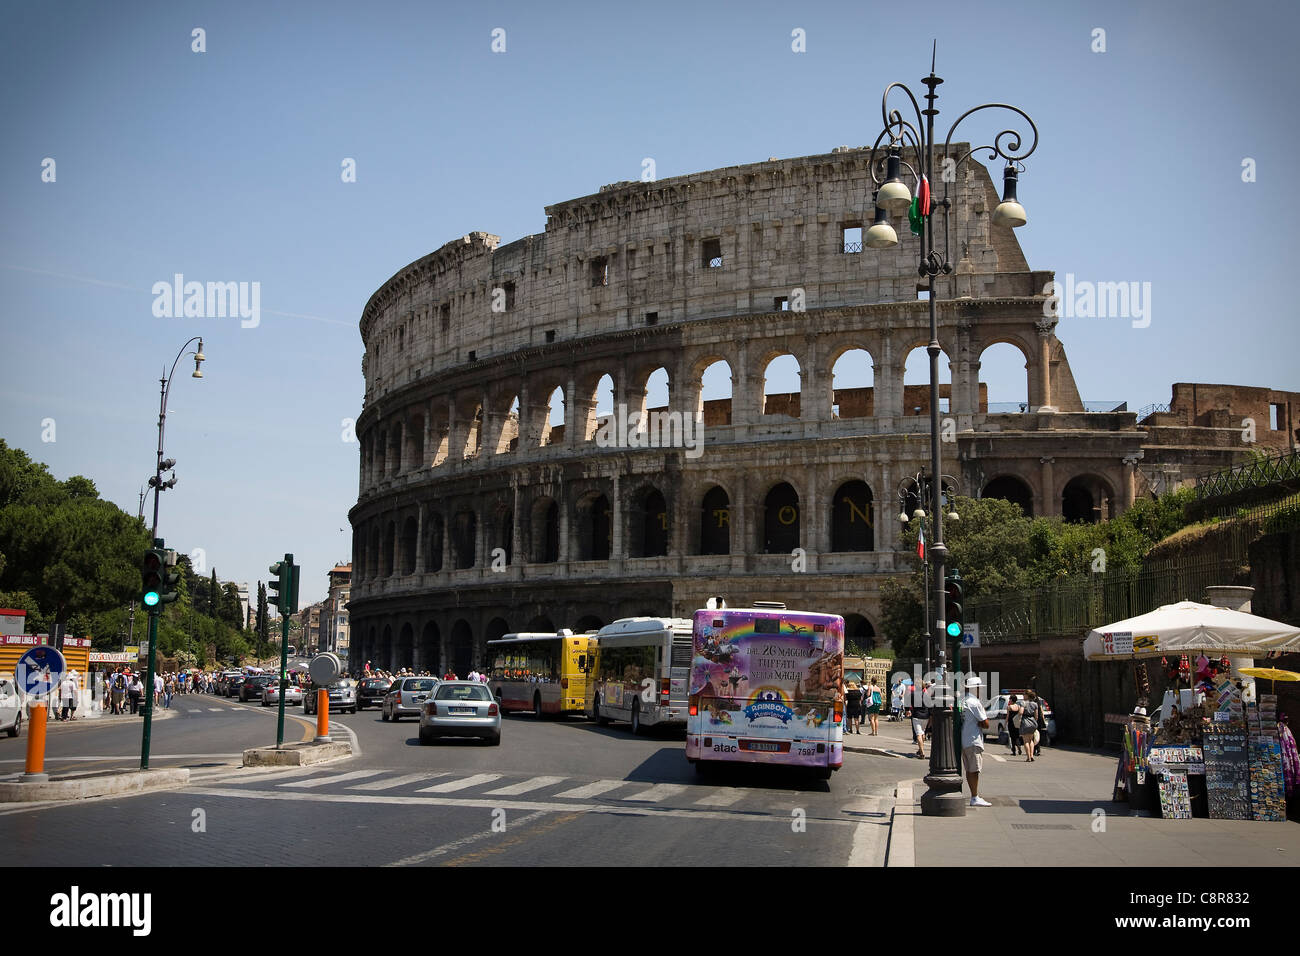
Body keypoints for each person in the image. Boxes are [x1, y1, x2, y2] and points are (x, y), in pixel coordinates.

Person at [961, 675, 991, 807]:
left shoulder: (962, 701)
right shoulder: (975, 702)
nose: (981, 690)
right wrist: (980, 723)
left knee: (969, 769)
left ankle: (974, 795)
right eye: (980, 688)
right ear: (975, 689)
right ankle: (975, 796)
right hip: (973, 739)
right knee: (975, 770)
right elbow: (985, 723)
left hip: (964, 739)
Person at [1020, 690, 1043, 762]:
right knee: (1031, 740)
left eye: (1024, 695)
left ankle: (1028, 757)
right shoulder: (1035, 704)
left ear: (1027, 696)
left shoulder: (1023, 703)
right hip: (1033, 722)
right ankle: (1032, 755)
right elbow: (1036, 716)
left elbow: (1021, 712)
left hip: (1025, 722)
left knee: (1026, 741)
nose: (1023, 696)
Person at [910, 681, 931, 758]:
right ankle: (920, 749)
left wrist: (907, 710)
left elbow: (909, 704)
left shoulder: (913, 694)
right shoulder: (926, 695)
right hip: (926, 716)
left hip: (917, 715)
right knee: (922, 733)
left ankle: (922, 752)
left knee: (918, 734)